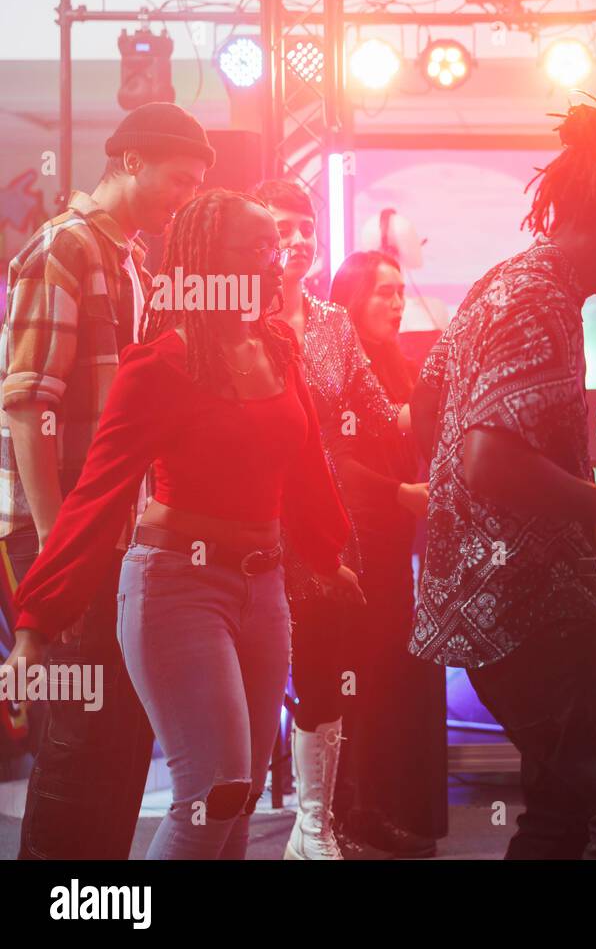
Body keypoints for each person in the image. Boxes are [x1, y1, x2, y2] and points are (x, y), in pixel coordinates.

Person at [9, 189, 364, 859]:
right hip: (177, 589)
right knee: (215, 792)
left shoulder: (279, 347)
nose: (276, 259)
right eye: (257, 247)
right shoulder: (162, 363)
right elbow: (98, 495)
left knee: (243, 792)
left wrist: (326, 555)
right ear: (208, 262)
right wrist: (36, 620)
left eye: (276, 246)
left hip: (264, 589)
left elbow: (305, 464)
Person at [409, 95, 596, 859]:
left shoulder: (505, 282)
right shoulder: (538, 298)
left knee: (562, 816)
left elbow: (427, 403)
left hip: (497, 610)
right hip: (534, 611)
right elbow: (489, 459)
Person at [0, 103, 211, 859]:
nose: (184, 198)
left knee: (118, 737)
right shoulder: (63, 247)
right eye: (179, 180)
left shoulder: (130, 259)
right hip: (63, 531)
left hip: (109, 532)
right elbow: (28, 405)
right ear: (130, 162)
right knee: (80, 740)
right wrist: (60, 546)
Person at [250, 180, 430, 859]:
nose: (297, 239)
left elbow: (381, 416)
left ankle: (316, 829)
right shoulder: (231, 317)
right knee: (249, 682)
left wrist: (456, 380)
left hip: (325, 529)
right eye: (282, 227)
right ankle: (229, 826)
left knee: (326, 677)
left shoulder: (330, 322)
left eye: (306, 227)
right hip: (247, 521)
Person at [328, 249, 445, 856]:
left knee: (395, 675)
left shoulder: (399, 364)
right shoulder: (334, 363)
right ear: (353, 298)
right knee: (359, 679)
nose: (398, 303)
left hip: (397, 544)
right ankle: (349, 814)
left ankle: (384, 810)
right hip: (353, 544)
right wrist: (398, 492)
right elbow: (335, 461)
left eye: (401, 292)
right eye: (384, 292)